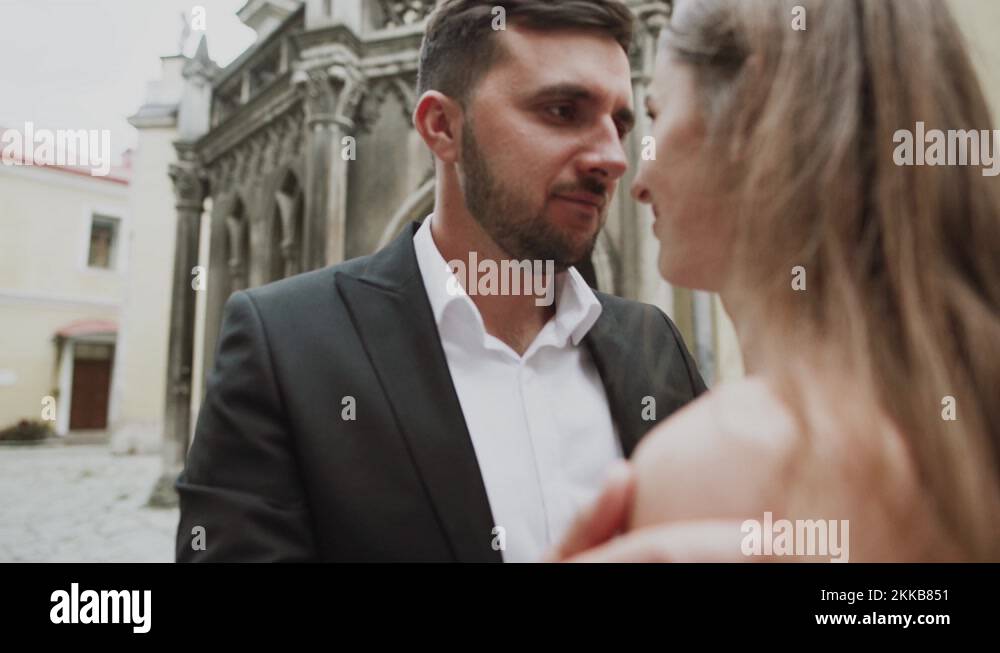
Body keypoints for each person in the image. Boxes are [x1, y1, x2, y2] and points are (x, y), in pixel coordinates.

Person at [176, 0, 706, 563]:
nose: (612, 157)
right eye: (561, 110)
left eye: (619, 123)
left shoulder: (655, 347)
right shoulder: (284, 349)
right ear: (441, 126)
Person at [549, 0, 1000, 562]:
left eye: (656, 117)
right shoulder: (964, 417)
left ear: (751, 117)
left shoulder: (719, 463)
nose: (639, 180)